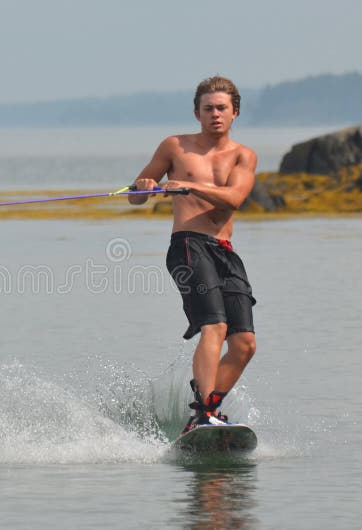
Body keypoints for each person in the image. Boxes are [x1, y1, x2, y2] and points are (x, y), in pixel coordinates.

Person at [129, 76, 258, 433]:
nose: (215, 114)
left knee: (245, 344)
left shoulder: (244, 156)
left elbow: (233, 199)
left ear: (234, 113)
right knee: (213, 325)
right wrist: (144, 188)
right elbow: (136, 196)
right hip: (188, 245)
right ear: (196, 113)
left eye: (221, 108)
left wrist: (189, 186)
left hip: (225, 252)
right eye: (208, 109)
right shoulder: (175, 147)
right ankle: (202, 413)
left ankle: (207, 409)